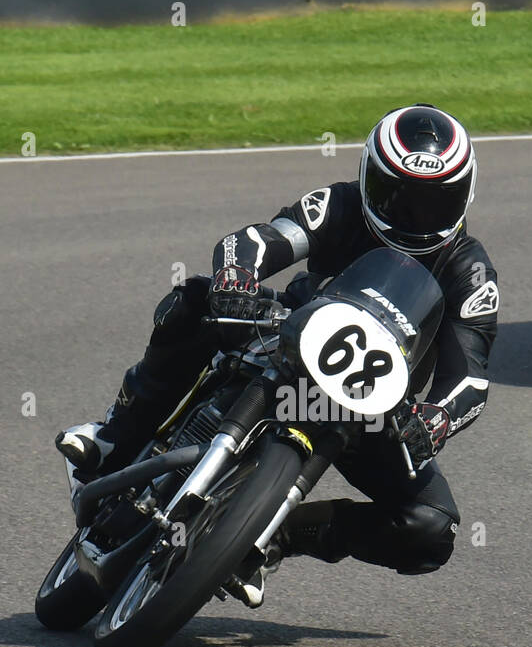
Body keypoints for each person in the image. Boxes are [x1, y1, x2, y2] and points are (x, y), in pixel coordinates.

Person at [58, 104, 499, 604]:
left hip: (368, 409)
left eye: (432, 203)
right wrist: (237, 276)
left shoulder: (471, 271)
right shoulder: (338, 205)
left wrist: (437, 418)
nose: (412, 215)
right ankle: (115, 436)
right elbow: (258, 241)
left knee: (430, 527)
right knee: (194, 301)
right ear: (369, 179)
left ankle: (274, 538)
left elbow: (471, 376)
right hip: (285, 334)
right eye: (397, 197)